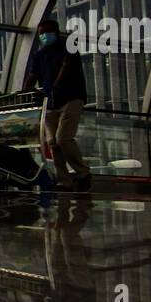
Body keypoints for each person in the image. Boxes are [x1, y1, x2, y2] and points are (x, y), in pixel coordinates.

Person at [23, 17, 92, 191]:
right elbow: (33, 75)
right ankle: (64, 181)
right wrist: (26, 89)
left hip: (71, 98)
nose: (44, 36)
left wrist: (56, 84)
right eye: (41, 34)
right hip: (50, 102)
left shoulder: (69, 46)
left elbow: (66, 66)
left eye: (46, 33)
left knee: (63, 138)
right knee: (52, 141)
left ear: (56, 32)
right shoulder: (40, 54)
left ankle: (83, 173)